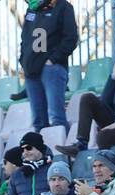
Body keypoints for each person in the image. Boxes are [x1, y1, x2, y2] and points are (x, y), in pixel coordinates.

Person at [19, 0, 78, 129]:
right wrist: (23, 61)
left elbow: (71, 38)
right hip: (31, 71)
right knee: (38, 121)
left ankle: (60, 146)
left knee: (56, 117)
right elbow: (25, 38)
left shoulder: (63, 6)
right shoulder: (31, 9)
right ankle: (41, 149)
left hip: (51, 69)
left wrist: (53, 60)